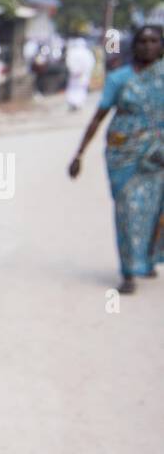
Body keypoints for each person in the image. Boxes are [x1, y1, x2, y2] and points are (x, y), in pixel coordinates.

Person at [67, 25, 163, 294]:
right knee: (127, 211)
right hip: (124, 156)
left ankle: (148, 258)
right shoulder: (119, 78)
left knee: (154, 210)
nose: (147, 46)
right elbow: (99, 116)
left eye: (153, 41)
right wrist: (79, 154)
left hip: (159, 157)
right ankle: (129, 270)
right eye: (142, 41)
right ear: (134, 46)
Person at [64, 37, 95, 112]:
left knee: (76, 89)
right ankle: (77, 104)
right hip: (81, 74)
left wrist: (75, 70)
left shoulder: (72, 52)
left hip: (77, 74)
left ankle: (75, 103)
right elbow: (91, 63)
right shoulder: (87, 52)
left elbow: (69, 62)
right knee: (80, 89)